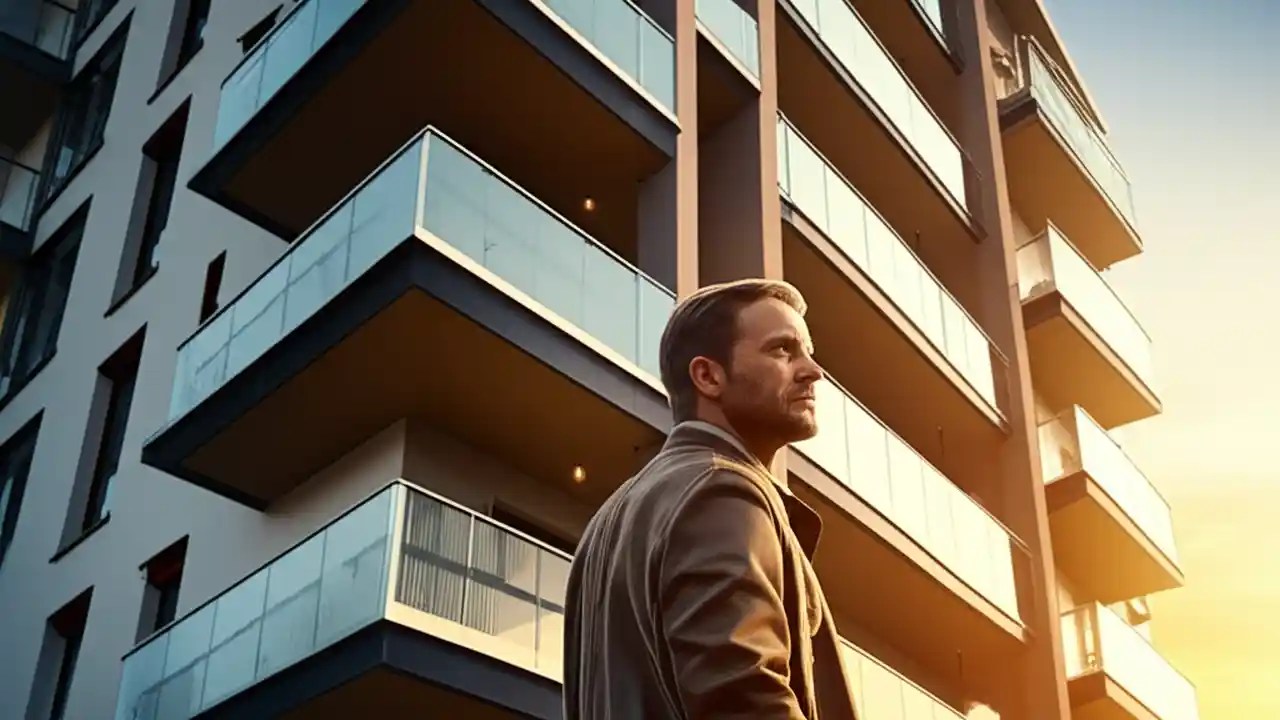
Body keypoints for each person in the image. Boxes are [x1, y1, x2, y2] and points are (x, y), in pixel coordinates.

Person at [563, 278, 859, 719]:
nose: (813, 371)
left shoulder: (607, 522)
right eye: (783, 349)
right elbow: (744, 699)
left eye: (808, 352)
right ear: (708, 376)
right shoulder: (721, 491)